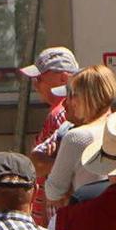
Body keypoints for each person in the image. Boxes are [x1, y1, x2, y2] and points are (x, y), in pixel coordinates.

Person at [40, 65, 116, 210]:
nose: (67, 102)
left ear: (88, 96)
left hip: (88, 218)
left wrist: (69, 192)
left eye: (72, 94)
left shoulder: (77, 137)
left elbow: (53, 193)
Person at [22, 45, 80, 186]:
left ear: (64, 78)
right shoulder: (60, 112)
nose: (35, 85)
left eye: (39, 79)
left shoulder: (60, 114)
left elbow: (44, 166)